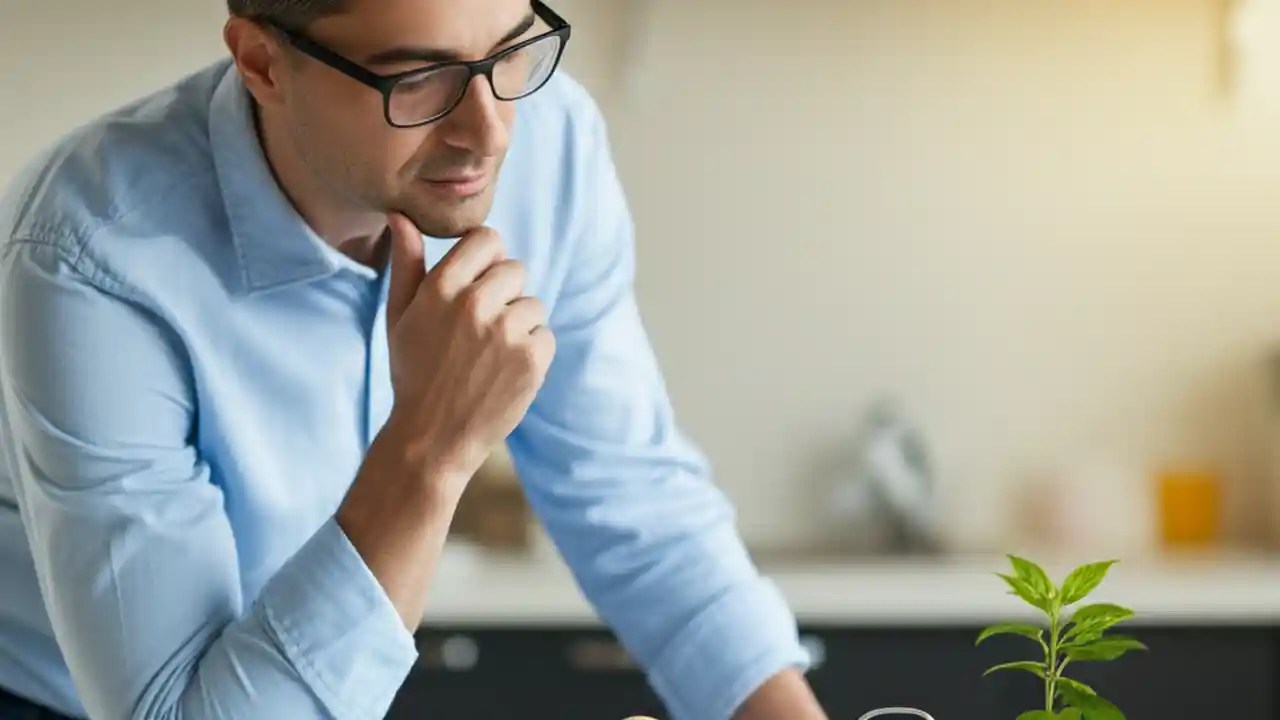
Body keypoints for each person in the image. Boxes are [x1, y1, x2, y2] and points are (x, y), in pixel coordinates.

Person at [0, 1, 829, 719]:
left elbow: (634, 498)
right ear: (262, 63)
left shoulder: (551, 142)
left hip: (327, 670)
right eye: (418, 78)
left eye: (511, 50)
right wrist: (431, 445)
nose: (490, 130)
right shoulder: (92, 256)